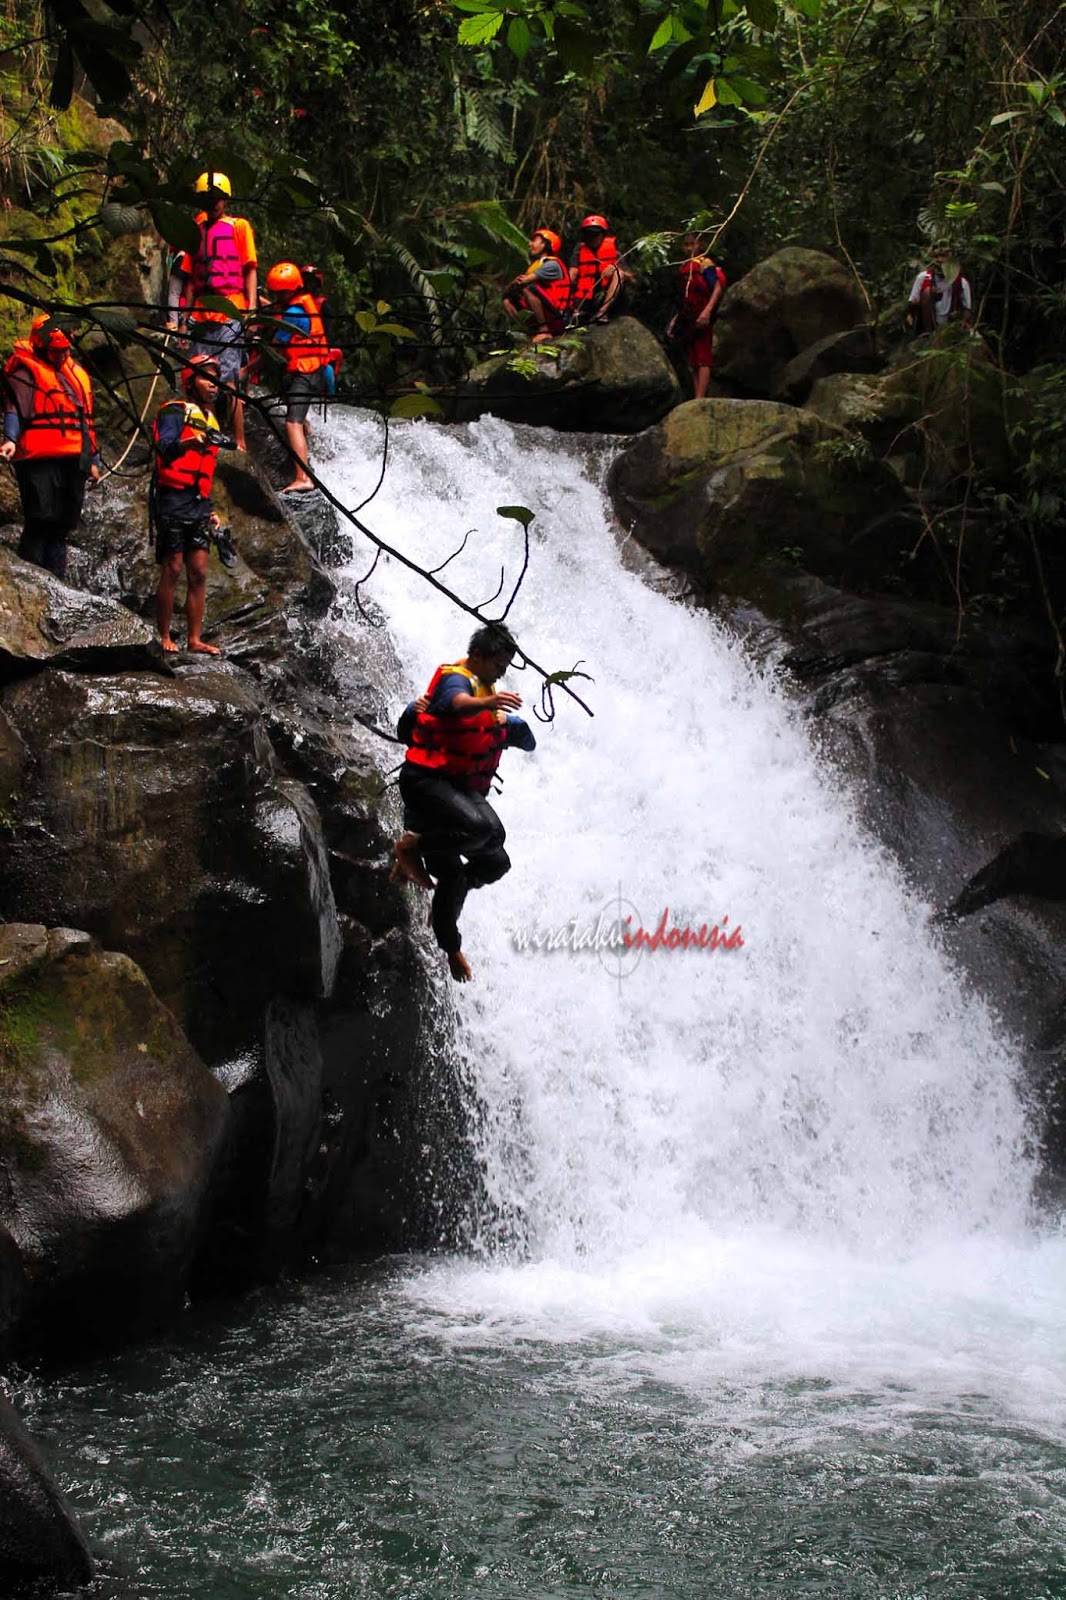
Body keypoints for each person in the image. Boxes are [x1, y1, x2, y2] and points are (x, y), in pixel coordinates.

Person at [393, 625, 535, 983]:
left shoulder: (489, 706)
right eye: (499, 665)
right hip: (426, 790)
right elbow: (454, 704)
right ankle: (450, 945)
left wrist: (508, 722)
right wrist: (489, 704)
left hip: (455, 797)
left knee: (497, 857)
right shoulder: (456, 681)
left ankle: (438, 886)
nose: (502, 673)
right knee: (459, 865)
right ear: (479, 656)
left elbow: (529, 742)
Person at [0, 314, 99, 581]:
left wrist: (93, 459)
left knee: (63, 524)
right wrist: (10, 439)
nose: (62, 356)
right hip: (38, 457)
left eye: (65, 350)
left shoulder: (76, 374)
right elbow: (15, 409)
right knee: (41, 518)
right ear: (41, 346)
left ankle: (56, 582)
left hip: (74, 456)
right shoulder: (25, 371)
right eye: (56, 351)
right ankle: (31, 581)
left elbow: (86, 419)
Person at [150, 354, 236, 656]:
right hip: (172, 498)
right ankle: (164, 635)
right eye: (205, 379)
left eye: (215, 381)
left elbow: (206, 471)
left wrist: (210, 509)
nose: (213, 386)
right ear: (190, 381)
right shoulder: (174, 411)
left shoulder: (211, 421)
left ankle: (194, 638)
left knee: (198, 570)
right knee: (173, 566)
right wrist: (190, 442)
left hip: (198, 503)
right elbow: (164, 447)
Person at [167, 172, 257, 452]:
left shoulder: (239, 227)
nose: (213, 203)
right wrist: (184, 320)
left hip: (231, 307)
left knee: (229, 379)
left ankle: (239, 441)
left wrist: (251, 310)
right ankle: (207, 437)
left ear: (225, 200)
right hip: (202, 312)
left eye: (218, 198)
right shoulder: (196, 229)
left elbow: (249, 269)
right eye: (208, 199)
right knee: (199, 378)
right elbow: (190, 280)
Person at [264, 261, 332, 494]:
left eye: (281, 292)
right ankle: (307, 431)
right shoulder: (304, 303)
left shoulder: (294, 313)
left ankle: (303, 477)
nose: (277, 296)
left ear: (292, 290)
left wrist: (248, 369)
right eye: (275, 292)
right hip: (313, 370)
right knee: (295, 412)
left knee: (292, 423)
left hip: (306, 371)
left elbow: (275, 348)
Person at [667, 232, 726, 399]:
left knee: (703, 356)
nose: (689, 248)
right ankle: (696, 395)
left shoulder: (705, 264)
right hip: (688, 316)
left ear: (700, 245)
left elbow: (717, 287)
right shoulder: (684, 267)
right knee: (692, 358)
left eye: (693, 244)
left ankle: (700, 396)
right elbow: (684, 297)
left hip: (702, 313)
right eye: (686, 245)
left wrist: (707, 311)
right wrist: (675, 319)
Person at [502, 228, 571, 342]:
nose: (530, 244)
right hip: (546, 313)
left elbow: (523, 282)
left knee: (529, 289)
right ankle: (528, 331)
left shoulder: (552, 264)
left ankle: (544, 331)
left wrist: (515, 282)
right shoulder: (537, 264)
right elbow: (513, 287)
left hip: (558, 317)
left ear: (545, 244)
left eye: (534, 241)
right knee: (508, 300)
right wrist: (511, 286)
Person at [569, 214, 627, 325]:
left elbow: (631, 277)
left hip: (606, 296)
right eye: (588, 234)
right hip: (586, 297)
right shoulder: (578, 252)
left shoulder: (615, 253)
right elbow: (572, 274)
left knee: (619, 273)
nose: (592, 237)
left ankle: (602, 312)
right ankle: (576, 310)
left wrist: (614, 268)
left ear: (603, 235)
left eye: (595, 234)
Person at [907, 244, 973, 334]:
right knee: (927, 291)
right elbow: (912, 302)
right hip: (928, 324)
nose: (940, 260)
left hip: (951, 325)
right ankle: (927, 332)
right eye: (937, 256)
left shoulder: (961, 282)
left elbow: (967, 308)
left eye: (944, 256)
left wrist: (964, 321)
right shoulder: (923, 277)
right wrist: (928, 296)